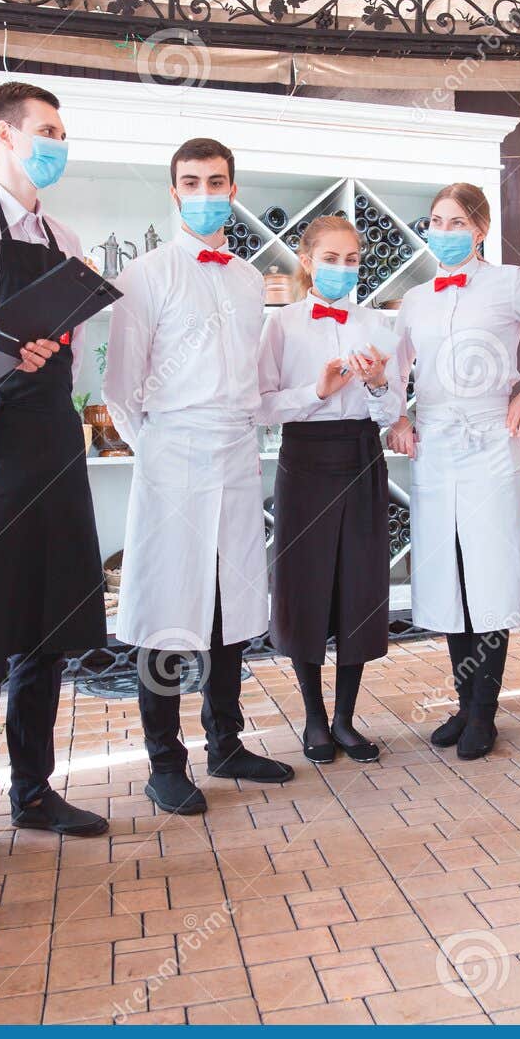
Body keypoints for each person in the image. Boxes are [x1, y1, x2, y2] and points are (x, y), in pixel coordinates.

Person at [0, 82, 109, 878]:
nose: (57, 143)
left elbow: (70, 346)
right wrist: (5, 353)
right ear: (4, 135)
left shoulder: (65, 236)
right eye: (47, 129)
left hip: (53, 435)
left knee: (46, 624)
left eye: (62, 132)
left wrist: (46, 350)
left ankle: (34, 790)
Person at [103, 137, 295, 814]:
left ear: (234, 189)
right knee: (165, 610)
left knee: (226, 607)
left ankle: (227, 742)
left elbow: (252, 378)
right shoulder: (145, 274)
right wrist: (154, 450)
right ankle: (163, 761)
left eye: (218, 180)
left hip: (238, 451)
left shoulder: (248, 279)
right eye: (192, 180)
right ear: (174, 189)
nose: (206, 191)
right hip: (173, 452)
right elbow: (119, 386)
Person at [388, 184, 520, 760]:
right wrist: (397, 416)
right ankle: (462, 703)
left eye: (456, 222)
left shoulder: (510, 284)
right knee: (448, 573)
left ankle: (485, 712)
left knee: (488, 573)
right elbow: (395, 370)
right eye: (434, 221)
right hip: (435, 449)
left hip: (490, 443)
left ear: (479, 229)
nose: (444, 232)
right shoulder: (417, 300)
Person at [257, 215, 400, 764]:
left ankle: (345, 720)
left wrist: (379, 383)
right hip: (305, 457)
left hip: (363, 455)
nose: (343, 269)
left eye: (352, 259)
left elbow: (393, 414)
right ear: (308, 260)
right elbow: (263, 406)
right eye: (332, 258)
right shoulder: (281, 326)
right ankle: (314, 719)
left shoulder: (380, 327)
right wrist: (315, 392)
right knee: (305, 586)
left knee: (359, 586)